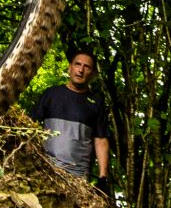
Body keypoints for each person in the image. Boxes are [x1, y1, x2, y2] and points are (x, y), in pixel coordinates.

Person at [30, 50, 112, 194]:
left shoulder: (96, 103)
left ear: (93, 74)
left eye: (87, 67)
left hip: (78, 176)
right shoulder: (51, 94)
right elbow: (30, 126)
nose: (81, 70)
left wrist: (103, 176)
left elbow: (100, 139)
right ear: (70, 68)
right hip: (45, 168)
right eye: (77, 64)